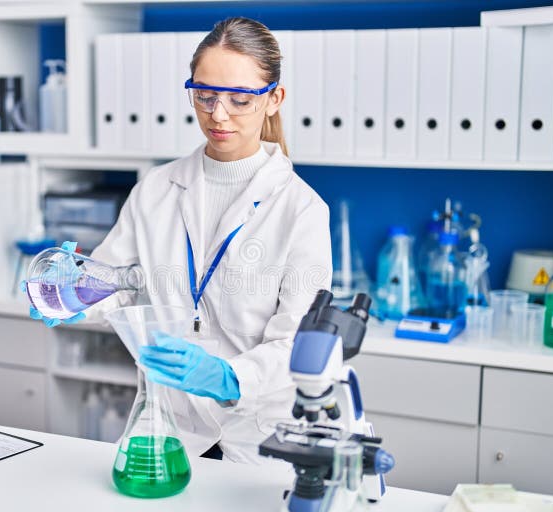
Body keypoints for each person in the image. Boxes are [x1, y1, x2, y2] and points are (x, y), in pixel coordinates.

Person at [31, 17, 332, 464]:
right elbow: (120, 287)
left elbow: (298, 343)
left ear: (273, 99)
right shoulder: (156, 189)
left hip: (255, 435)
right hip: (167, 427)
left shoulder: (302, 210)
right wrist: (69, 295)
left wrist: (229, 376)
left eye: (239, 99)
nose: (218, 113)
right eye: (205, 95)